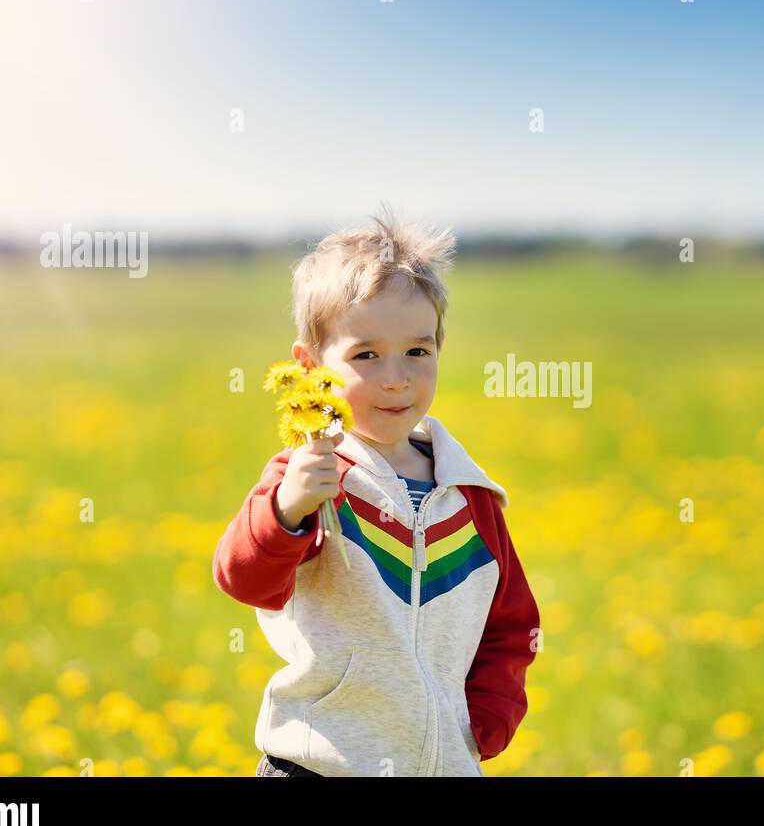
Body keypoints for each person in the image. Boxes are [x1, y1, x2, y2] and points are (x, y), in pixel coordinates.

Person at [213, 208, 540, 777]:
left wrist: (484, 720)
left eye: (418, 351)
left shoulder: (469, 496)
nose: (397, 377)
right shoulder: (309, 476)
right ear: (311, 366)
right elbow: (244, 579)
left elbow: (511, 624)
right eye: (366, 355)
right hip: (320, 765)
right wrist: (287, 510)